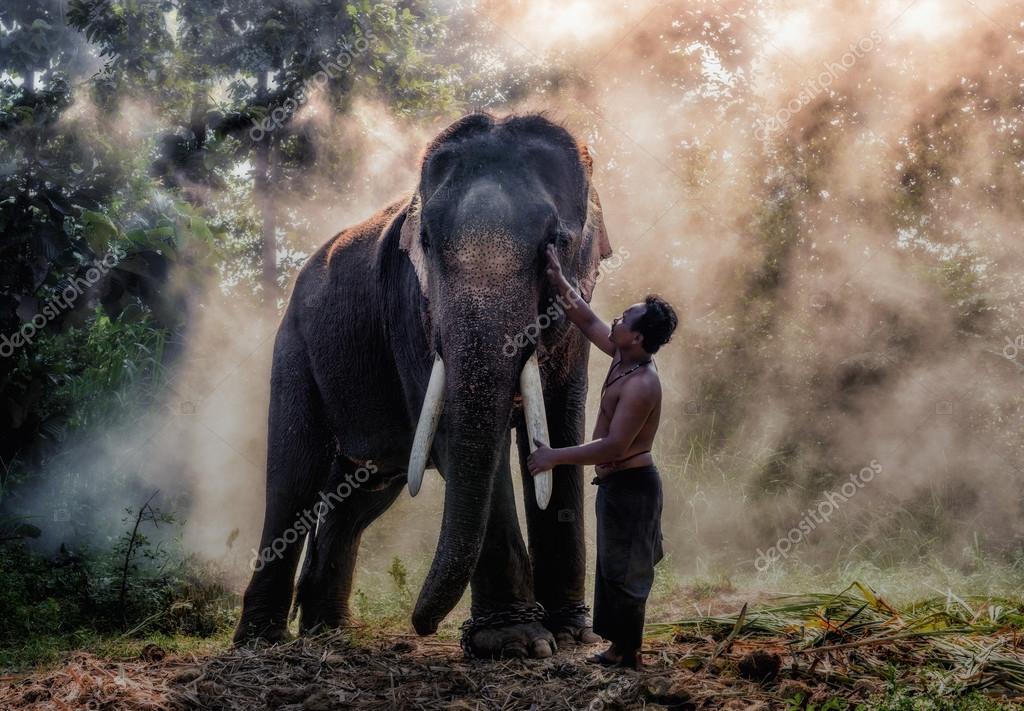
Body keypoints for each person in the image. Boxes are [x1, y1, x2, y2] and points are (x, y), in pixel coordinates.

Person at [527, 244, 678, 670]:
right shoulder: (621, 356)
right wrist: (558, 279)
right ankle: (618, 648)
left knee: (627, 572)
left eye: (624, 320)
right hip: (615, 487)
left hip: (633, 488)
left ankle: (629, 654)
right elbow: (587, 318)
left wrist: (554, 457)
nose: (615, 320)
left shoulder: (642, 384)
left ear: (639, 337)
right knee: (612, 567)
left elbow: (615, 446)